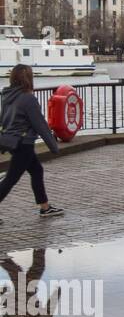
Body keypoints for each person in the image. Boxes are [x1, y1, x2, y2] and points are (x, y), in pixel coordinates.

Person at [0, 64, 63, 218]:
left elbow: (4, 119)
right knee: (11, 178)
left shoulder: (7, 95)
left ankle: (45, 207)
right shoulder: (28, 98)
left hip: (11, 141)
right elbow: (40, 124)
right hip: (24, 143)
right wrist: (53, 146)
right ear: (28, 79)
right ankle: (45, 208)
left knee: (36, 170)